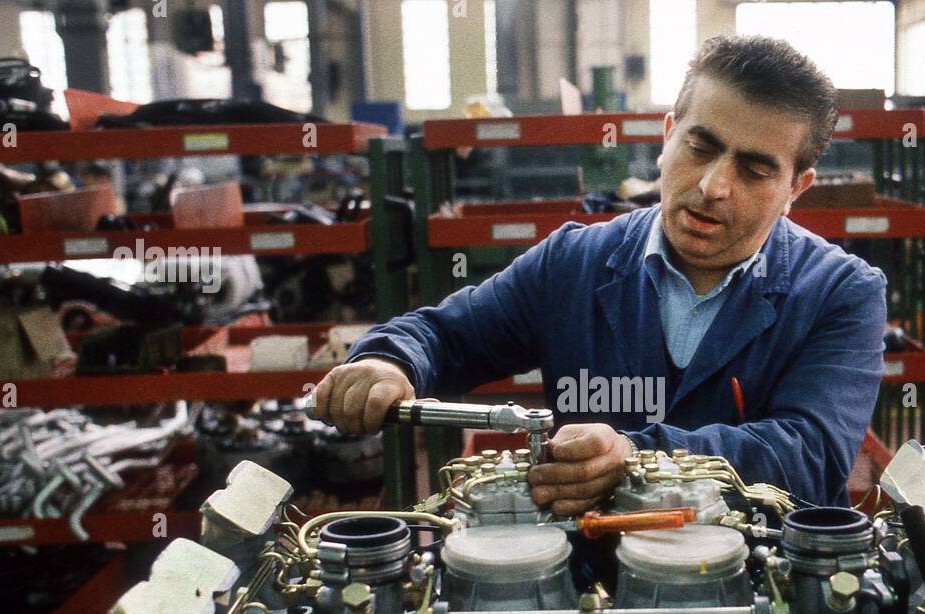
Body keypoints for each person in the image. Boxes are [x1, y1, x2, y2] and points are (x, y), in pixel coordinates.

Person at [313, 35, 887, 516]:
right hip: (594, 583)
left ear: (795, 189)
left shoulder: (841, 293)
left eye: (755, 170)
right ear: (667, 137)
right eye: (700, 146)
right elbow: (447, 335)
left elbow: (810, 458)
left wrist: (635, 457)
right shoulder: (574, 262)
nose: (713, 185)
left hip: (764, 590)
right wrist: (388, 359)